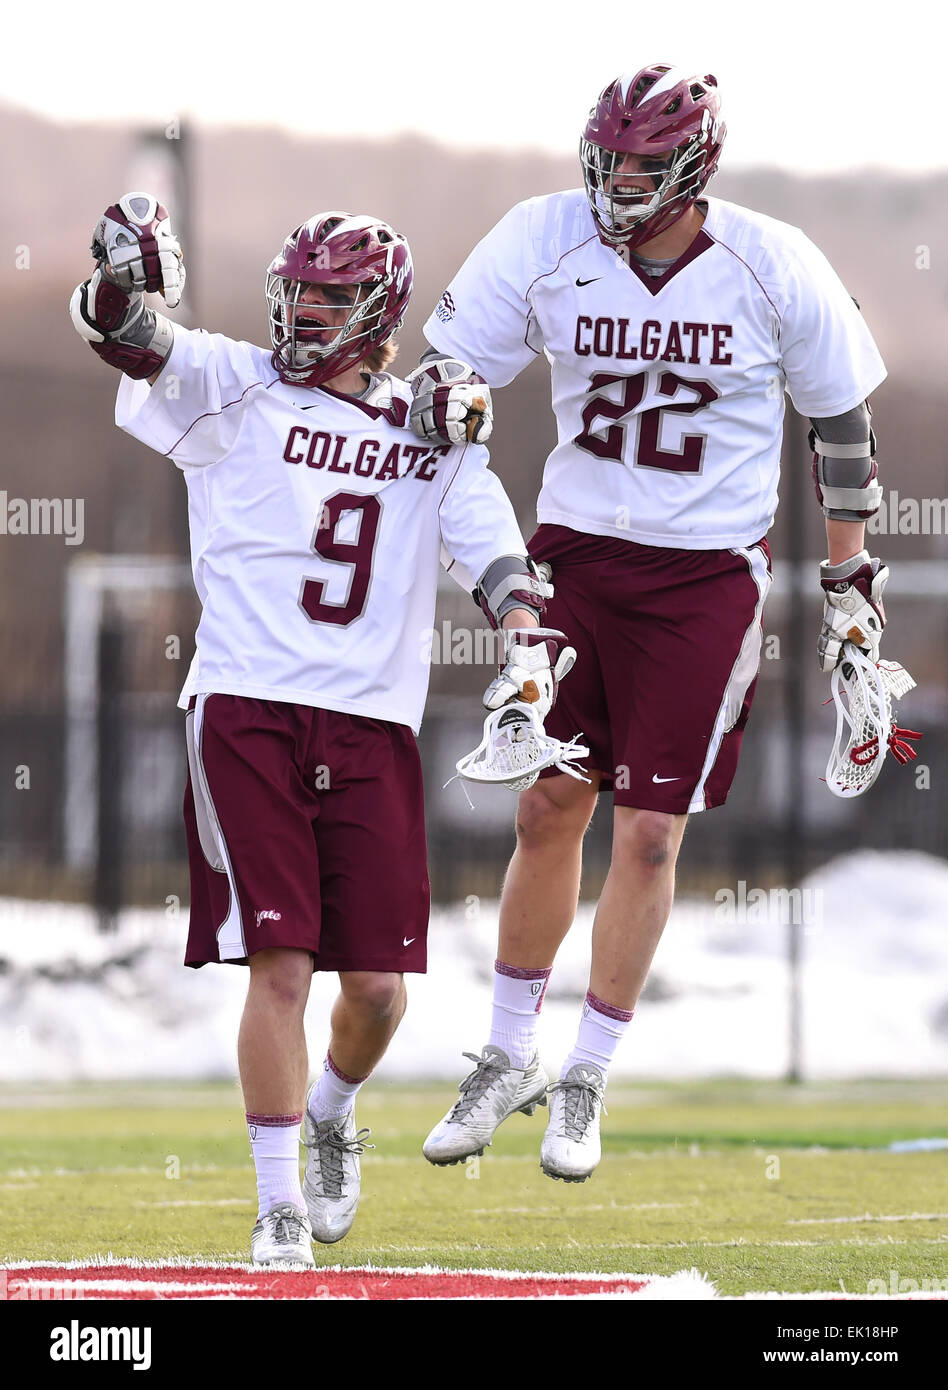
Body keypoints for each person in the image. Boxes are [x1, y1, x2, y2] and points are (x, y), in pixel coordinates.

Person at [409, 64, 888, 1182]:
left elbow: (843, 427)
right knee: (546, 805)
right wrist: (445, 399)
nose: (620, 179)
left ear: (691, 163)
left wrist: (852, 591)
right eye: (610, 157)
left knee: (651, 830)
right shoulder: (543, 237)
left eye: (642, 162)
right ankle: (509, 1050)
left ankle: (587, 1069)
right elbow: (450, 375)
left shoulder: (772, 264)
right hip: (574, 553)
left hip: (706, 578)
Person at [69, 195, 573, 1260]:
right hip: (246, 706)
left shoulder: (430, 426)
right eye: (295, 292)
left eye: (329, 296)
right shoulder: (236, 385)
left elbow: (491, 552)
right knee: (279, 964)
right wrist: (120, 271)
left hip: (372, 724)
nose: (303, 313)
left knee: (378, 993)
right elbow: (125, 333)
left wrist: (524, 631)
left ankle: (334, 1109)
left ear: (375, 308)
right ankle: (278, 1203)